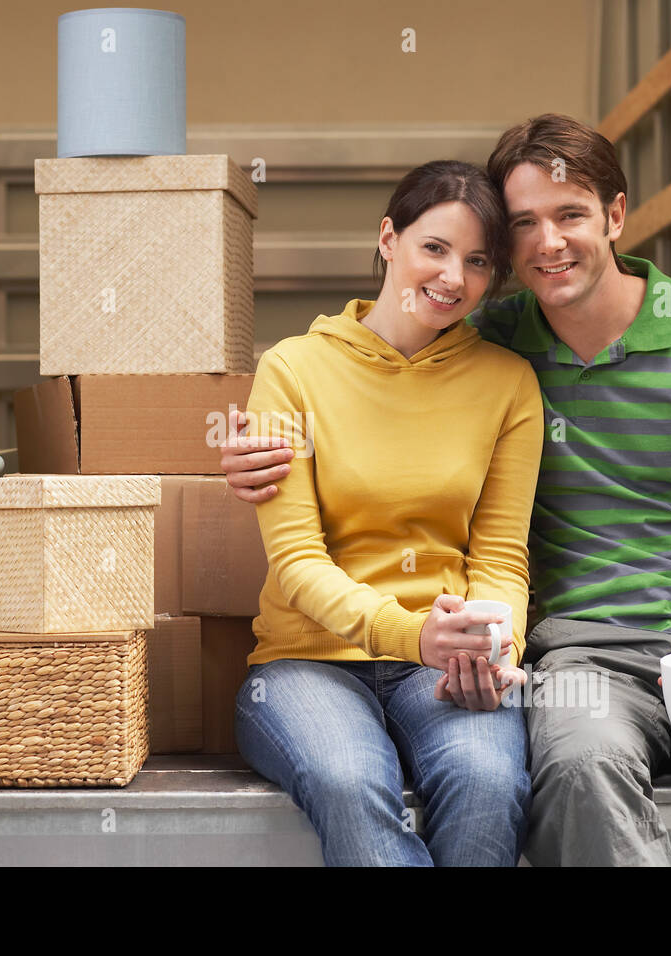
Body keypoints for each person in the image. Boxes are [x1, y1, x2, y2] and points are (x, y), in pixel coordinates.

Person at [223, 115, 671, 866]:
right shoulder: (491, 336)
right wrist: (240, 447)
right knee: (573, 774)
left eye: (570, 214)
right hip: (583, 657)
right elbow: (370, 365)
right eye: (523, 226)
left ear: (615, 215)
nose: (548, 244)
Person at [233, 160, 544, 866]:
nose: (453, 278)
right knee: (349, 780)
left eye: (477, 262)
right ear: (387, 238)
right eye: (433, 248)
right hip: (305, 662)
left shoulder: (507, 382)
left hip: (445, 664)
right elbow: (297, 560)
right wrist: (412, 634)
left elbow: (499, 557)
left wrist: (495, 648)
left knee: (489, 781)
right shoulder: (293, 370)